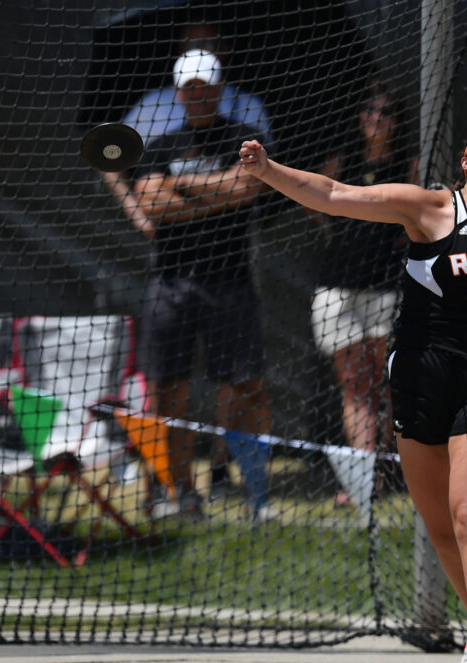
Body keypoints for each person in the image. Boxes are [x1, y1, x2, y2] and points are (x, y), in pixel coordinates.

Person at [238, 125, 467, 663]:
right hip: (422, 376)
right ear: (466, 160)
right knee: (440, 524)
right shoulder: (428, 208)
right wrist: (268, 171)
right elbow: (333, 194)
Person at [132, 50, 272, 518]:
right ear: (178, 92)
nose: (198, 95)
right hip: (170, 283)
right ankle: (179, 493)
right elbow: (149, 203)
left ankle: (254, 493)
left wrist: (184, 188)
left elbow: (247, 189)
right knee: (169, 392)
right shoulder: (158, 146)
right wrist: (214, 191)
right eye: (190, 88)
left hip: (229, 282)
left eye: (206, 87)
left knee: (246, 385)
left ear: (219, 88)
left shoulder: (244, 138)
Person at [311, 84, 417, 506]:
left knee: (389, 387)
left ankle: (392, 468)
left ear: (397, 121)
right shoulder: (341, 162)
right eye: (369, 111)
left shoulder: (409, 165)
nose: (377, 119)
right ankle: (363, 481)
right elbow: (316, 204)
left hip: (387, 290)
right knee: (354, 388)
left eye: (386, 112)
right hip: (338, 287)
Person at [105, 27, 272, 241]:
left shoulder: (247, 105)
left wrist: (181, 184)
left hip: (239, 236)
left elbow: (256, 183)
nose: (198, 94)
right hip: (173, 243)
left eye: (209, 44)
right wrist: (135, 210)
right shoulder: (153, 108)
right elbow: (117, 161)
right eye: (193, 45)